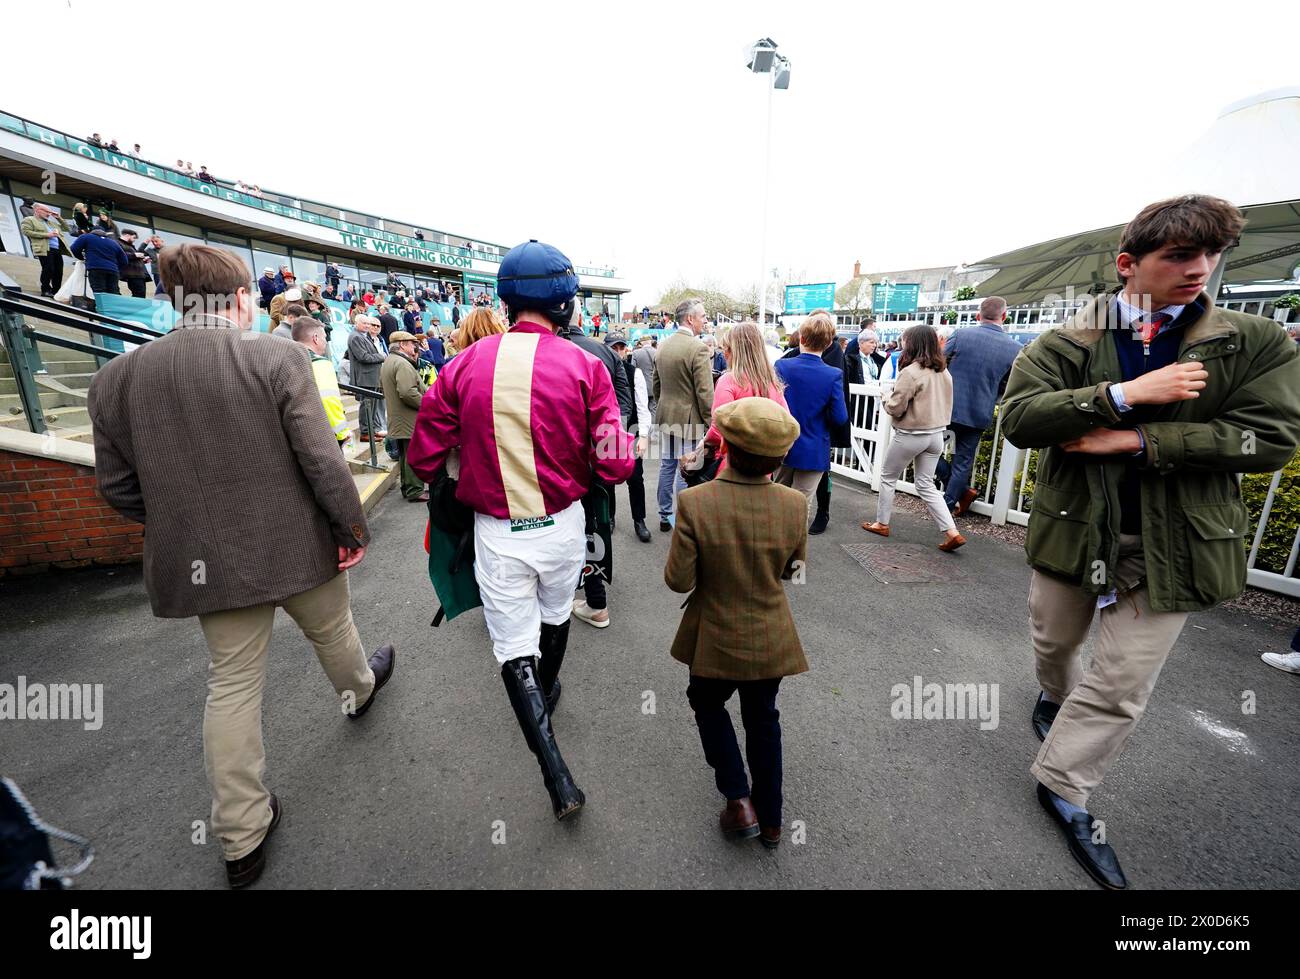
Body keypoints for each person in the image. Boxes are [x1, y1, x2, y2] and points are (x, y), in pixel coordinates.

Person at [1000, 194, 1300, 890]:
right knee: (1054, 644)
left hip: (1182, 543)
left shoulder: (1249, 340)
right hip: (1077, 531)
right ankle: (1051, 697)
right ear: (1128, 263)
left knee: (1124, 681)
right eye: (1180, 255)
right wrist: (1125, 395)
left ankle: (1065, 785)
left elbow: (1271, 438)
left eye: (1210, 253)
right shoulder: (1069, 339)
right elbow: (1018, 417)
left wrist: (1139, 439)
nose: (1200, 268)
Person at [87, 245, 394, 888]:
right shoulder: (278, 356)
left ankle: (241, 836)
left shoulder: (115, 379)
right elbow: (322, 460)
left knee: (231, 685)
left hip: (209, 565)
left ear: (175, 301)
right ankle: (359, 691)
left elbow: (118, 489)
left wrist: (188, 521)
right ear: (239, 300)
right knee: (334, 633)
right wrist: (351, 527)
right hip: (299, 548)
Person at [407, 239, 633, 821]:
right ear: (564, 303)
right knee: (557, 617)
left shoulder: (461, 364)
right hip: (563, 529)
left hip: (497, 534)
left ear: (508, 301)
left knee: (512, 649)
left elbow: (423, 459)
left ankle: (556, 776)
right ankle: (548, 697)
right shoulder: (588, 363)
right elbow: (615, 465)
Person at [665, 396, 808, 848]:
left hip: (713, 635)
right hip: (771, 632)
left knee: (706, 702)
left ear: (723, 444)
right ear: (780, 457)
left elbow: (678, 581)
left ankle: (737, 797)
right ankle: (771, 820)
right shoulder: (794, 505)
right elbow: (793, 572)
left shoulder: (695, 501)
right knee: (763, 717)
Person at [861, 325, 966, 551]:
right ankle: (951, 531)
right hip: (937, 435)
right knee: (926, 484)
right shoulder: (944, 371)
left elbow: (896, 408)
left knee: (888, 477)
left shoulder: (911, 372)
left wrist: (885, 397)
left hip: (911, 435)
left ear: (913, 343)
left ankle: (882, 523)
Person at [559, 305, 632, 629]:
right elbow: (622, 405)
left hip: (553, 463)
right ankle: (595, 600)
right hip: (593, 461)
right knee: (593, 528)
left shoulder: (541, 352)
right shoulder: (603, 352)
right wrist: (609, 450)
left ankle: (569, 599)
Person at [934, 296, 1022, 517]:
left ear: (977, 316)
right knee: (963, 461)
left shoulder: (961, 334)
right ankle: (949, 504)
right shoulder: (1015, 348)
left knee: (926, 450)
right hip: (980, 411)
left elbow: (939, 362)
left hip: (947, 407)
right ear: (1004, 316)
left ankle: (958, 495)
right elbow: (1010, 384)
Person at [772, 311, 849, 516]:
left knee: (777, 503)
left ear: (802, 338)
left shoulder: (782, 365)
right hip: (814, 447)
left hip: (782, 444)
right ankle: (795, 548)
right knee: (800, 508)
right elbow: (840, 417)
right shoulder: (833, 375)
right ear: (827, 344)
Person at [689, 321, 787, 476]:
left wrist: (703, 443)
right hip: (764, 468)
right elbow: (785, 423)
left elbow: (718, 428)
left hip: (731, 465)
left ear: (736, 351)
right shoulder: (773, 383)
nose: (724, 353)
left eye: (727, 348)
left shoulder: (729, 380)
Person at [652, 299, 715, 531]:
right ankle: (683, 519)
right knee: (686, 468)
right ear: (690, 318)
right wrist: (712, 424)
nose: (706, 320)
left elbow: (656, 385)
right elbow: (705, 392)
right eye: (703, 316)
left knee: (667, 465)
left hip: (666, 416)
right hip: (689, 419)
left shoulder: (663, 346)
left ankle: (664, 514)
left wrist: (664, 406)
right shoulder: (697, 348)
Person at [607, 332, 652, 543]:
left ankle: (639, 520)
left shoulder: (635, 373)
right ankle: (609, 517)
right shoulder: (599, 369)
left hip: (631, 429)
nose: (618, 351)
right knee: (606, 479)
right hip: (606, 431)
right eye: (613, 348)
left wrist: (643, 436)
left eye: (621, 347)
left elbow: (643, 407)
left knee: (635, 478)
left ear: (626, 349)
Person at [381, 331, 429, 502]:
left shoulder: (391, 361)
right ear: (402, 344)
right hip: (408, 418)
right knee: (412, 455)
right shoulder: (402, 363)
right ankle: (415, 490)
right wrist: (428, 405)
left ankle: (408, 488)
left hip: (400, 418)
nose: (415, 346)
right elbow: (408, 392)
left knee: (405, 455)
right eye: (411, 343)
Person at [293, 316, 350, 449]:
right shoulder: (321, 363)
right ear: (315, 338)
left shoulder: (283, 359)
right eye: (324, 337)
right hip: (319, 433)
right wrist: (342, 433)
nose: (326, 341)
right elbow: (329, 399)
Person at [347, 316, 387, 441]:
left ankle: (372, 430)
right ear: (356, 322)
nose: (367, 326)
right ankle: (365, 433)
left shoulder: (362, 336)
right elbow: (363, 357)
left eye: (368, 324)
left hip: (371, 377)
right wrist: (381, 356)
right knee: (367, 406)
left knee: (372, 407)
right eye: (364, 323)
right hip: (365, 378)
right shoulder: (355, 337)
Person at [20, 204, 72, 297]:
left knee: (58, 271)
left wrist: (58, 218)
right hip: (44, 248)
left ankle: (56, 291)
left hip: (57, 249)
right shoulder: (29, 220)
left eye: (49, 212)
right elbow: (26, 232)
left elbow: (67, 228)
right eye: (46, 211)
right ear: (38, 210)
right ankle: (45, 290)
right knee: (49, 269)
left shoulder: (50, 222)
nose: (49, 214)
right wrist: (47, 235)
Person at [70, 228, 128, 296]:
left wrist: (82, 258)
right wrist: (115, 268)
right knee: (114, 292)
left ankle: (102, 306)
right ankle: (113, 306)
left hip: (96, 268)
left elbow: (74, 249)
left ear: (92, 231)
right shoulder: (113, 242)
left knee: (99, 291)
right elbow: (125, 260)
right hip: (113, 271)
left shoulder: (86, 236)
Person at [117, 229, 151, 298]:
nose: (134, 240)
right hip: (132, 274)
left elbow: (133, 258)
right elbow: (119, 255)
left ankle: (138, 308)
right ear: (127, 235)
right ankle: (136, 308)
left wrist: (143, 261)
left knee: (141, 295)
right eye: (133, 238)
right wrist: (135, 255)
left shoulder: (130, 246)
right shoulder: (118, 243)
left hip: (140, 274)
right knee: (138, 295)